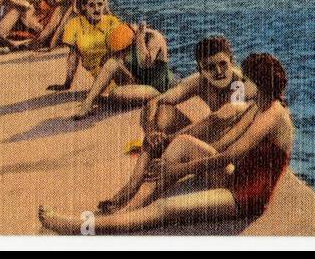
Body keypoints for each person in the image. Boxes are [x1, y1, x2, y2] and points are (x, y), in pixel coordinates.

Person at [39, 53, 294, 233]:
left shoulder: (272, 115)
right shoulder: (256, 106)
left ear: (259, 85)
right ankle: (133, 207)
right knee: (183, 143)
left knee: (165, 209)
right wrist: (175, 150)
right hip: (236, 177)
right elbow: (225, 143)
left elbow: (228, 156)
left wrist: (178, 169)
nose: (241, 82)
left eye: (247, 80)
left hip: (245, 197)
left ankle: (78, 226)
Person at [97, 36, 247, 213]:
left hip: (229, 165)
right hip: (209, 150)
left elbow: (216, 120)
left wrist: (167, 139)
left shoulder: (241, 85)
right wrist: (152, 132)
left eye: (223, 64)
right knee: (164, 111)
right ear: (200, 70)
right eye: (210, 67)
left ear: (232, 60)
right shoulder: (199, 81)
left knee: (178, 140)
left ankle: (136, 202)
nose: (219, 71)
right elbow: (155, 102)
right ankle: (130, 189)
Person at [72, 22, 175, 119]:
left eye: (126, 48)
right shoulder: (126, 40)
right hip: (138, 81)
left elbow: (145, 64)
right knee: (112, 62)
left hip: (156, 88)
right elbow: (112, 61)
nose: (125, 52)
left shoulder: (154, 37)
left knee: (116, 94)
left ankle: (111, 100)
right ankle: (88, 103)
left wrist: (140, 39)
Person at [48, 0, 134, 94]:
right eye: (92, 5)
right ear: (84, 6)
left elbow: (126, 46)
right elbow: (73, 56)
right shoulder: (74, 25)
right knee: (116, 94)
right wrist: (67, 84)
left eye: (100, 4)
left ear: (104, 5)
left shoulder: (111, 21)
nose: (97, 9)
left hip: (123, 69)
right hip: (104, 76)